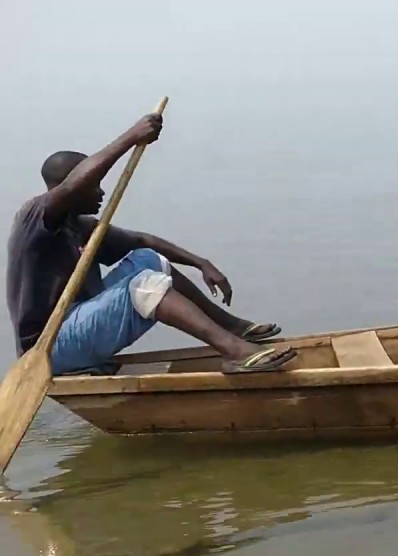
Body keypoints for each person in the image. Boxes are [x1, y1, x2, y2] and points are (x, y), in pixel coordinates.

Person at [6, 112, 296, 376]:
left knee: (148, 259)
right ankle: (235, 353)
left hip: (79, 326)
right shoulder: (34, 218)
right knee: (146, 284)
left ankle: (232, 328)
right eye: (94, 185)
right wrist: (131, 137)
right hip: (48, 349)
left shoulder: (80, 227)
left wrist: (201, 263)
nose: (101, 191)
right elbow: (75, 185)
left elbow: (143, 241)